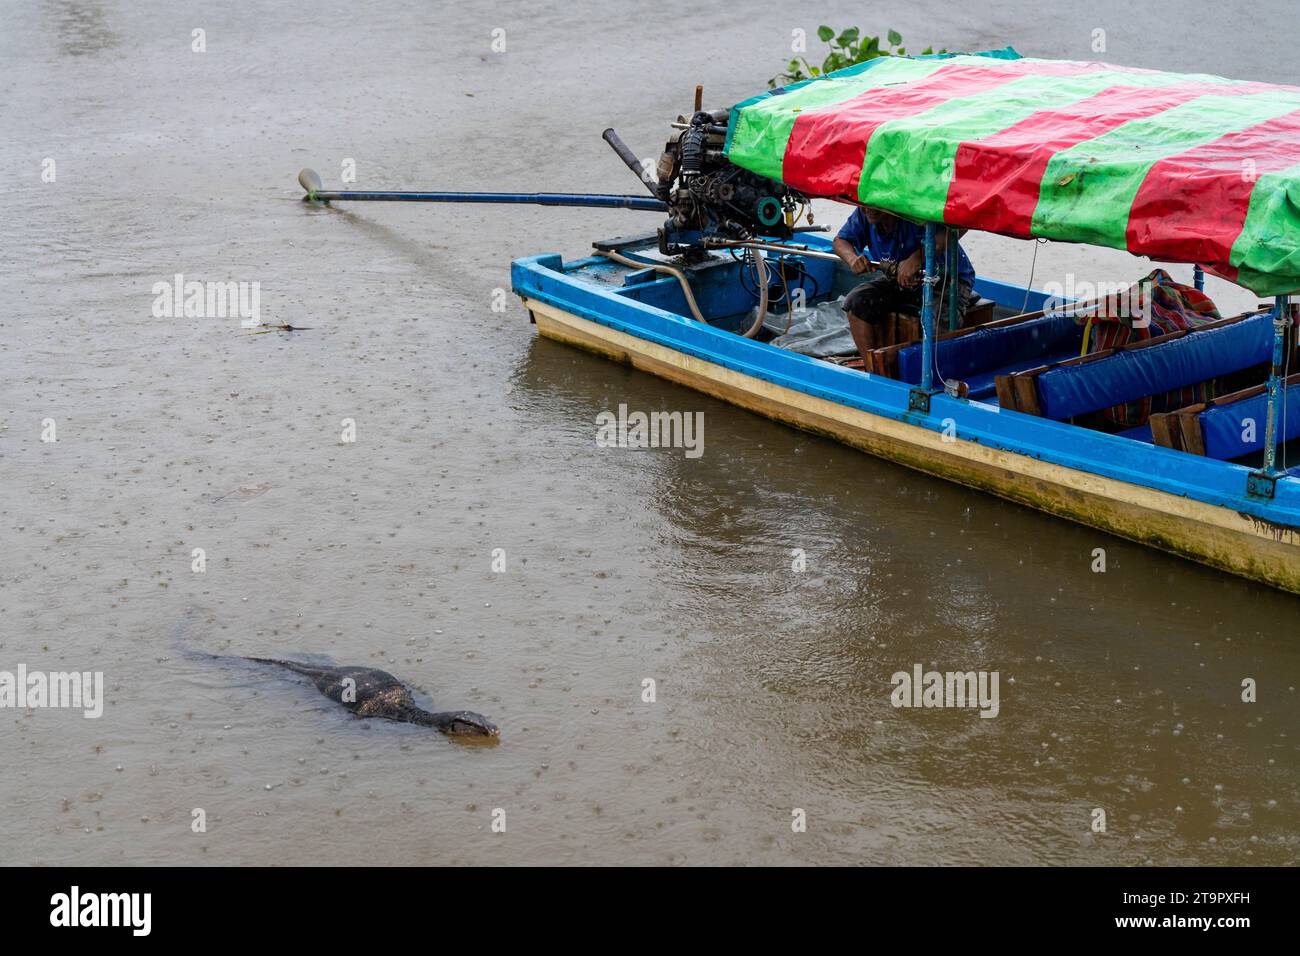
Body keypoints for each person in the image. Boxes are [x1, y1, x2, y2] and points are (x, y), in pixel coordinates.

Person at [831, 206, 976, 358]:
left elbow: (960, 225)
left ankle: (935, 373)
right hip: (899, 280)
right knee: (856, 302)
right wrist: (852, 258)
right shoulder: (864, 212)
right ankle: (874, 371)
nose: (869, 210)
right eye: (864, 206)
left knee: (937, 322)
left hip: (948, 278)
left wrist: (917, 258)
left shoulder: (914, 209)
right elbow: (840, 241)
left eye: (875, 206)